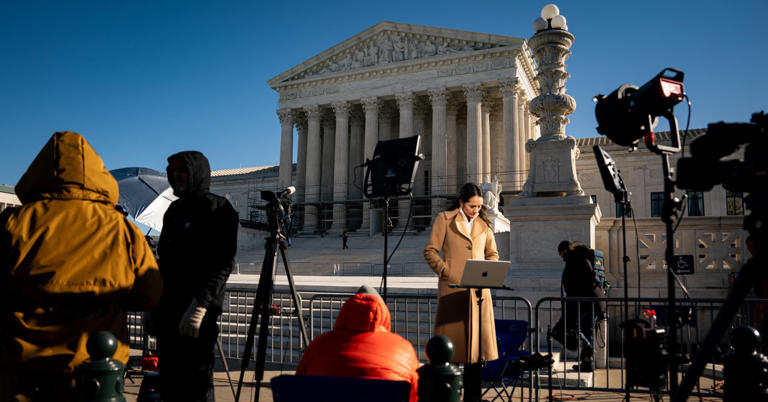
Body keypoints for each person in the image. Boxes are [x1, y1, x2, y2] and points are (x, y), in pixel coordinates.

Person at [0, 131, 163, 401]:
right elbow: (150, 293)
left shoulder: (13, 223)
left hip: (23, 371)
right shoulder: (120, 228)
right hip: (96, 374)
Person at [152, 151, 238, 402]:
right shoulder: (173, 210)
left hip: (197, 313)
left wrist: (200, 305)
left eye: (183, 170)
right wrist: (153, 304)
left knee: (197, 385)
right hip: (169, 310)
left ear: (196, 173)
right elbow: (164, 260)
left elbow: (222, 264)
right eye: (174, 170)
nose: (177, 175)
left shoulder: (219, 208)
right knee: (168, 383)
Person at [423, 182, 499, 402]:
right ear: (461, 203)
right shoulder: (444, 220)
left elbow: (492, 253)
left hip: (478, 295)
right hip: (452, 291)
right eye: (472, 206)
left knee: (476, 355)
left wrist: (488, 271)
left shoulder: (484, 225)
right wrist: (446, 271)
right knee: (451, 351)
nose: (476, 210)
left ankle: (473, 398)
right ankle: (449, 396)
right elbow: (429, 252)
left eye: (479, 206)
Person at [296, 285, 420, 402]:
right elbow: (415, 394)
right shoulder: (404, 350)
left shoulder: (318, 346)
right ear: (384, 312)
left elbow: (299, 387)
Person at [555, 240, 599, 372]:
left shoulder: (574, 260)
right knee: (586, 330)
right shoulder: (582, 257)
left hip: (580, 302)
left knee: (568, 329)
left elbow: (573, 283)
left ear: (565, 250)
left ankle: (587, 348)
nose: (561, 256)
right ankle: (587, 363)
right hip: (590, 301)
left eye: (561, 253)